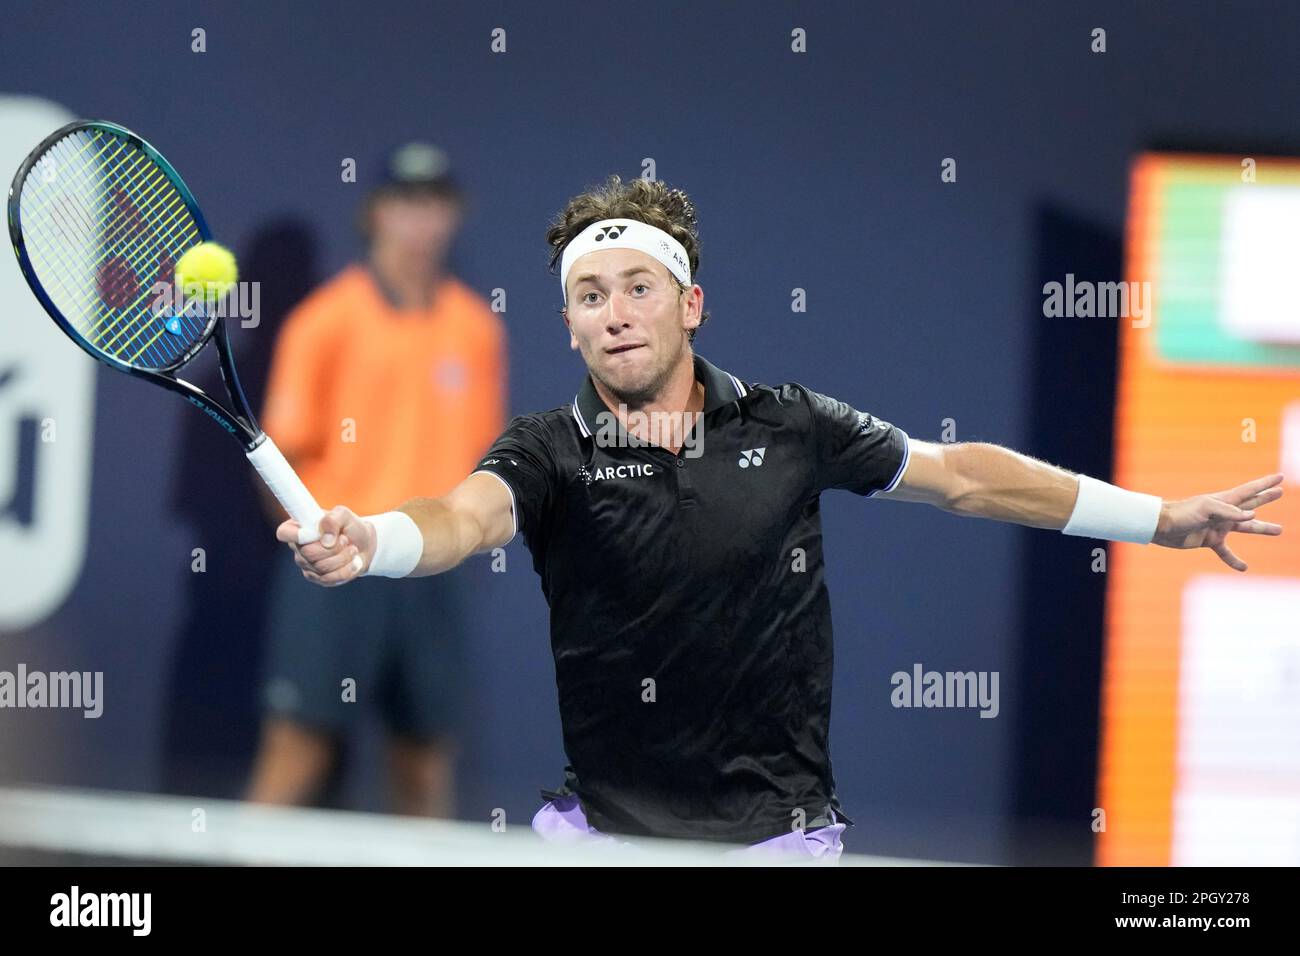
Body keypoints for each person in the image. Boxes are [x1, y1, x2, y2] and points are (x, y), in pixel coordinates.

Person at [275, 175, 1284, 859]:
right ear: (568, 320)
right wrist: (375, 539)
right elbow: (463, 516)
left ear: (691, 305)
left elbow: (965, 475)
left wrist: (1157, 516)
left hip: (774, 839)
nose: (614, 310)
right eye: (589, 294)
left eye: (637, 286)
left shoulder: (794, 425)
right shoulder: (547, 449)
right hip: (602, 837)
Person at [246, 143, 506, 817]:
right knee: (297, 750)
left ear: (455, 215)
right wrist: (316, 544)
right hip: (335, 566)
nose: (421, 221)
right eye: (406, 203)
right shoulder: (323, 322)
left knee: (423, 762)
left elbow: (483, 466)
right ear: (376, 213)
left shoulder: (476, 329)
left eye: (436, 204)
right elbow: (285, 458)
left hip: (430, 567)